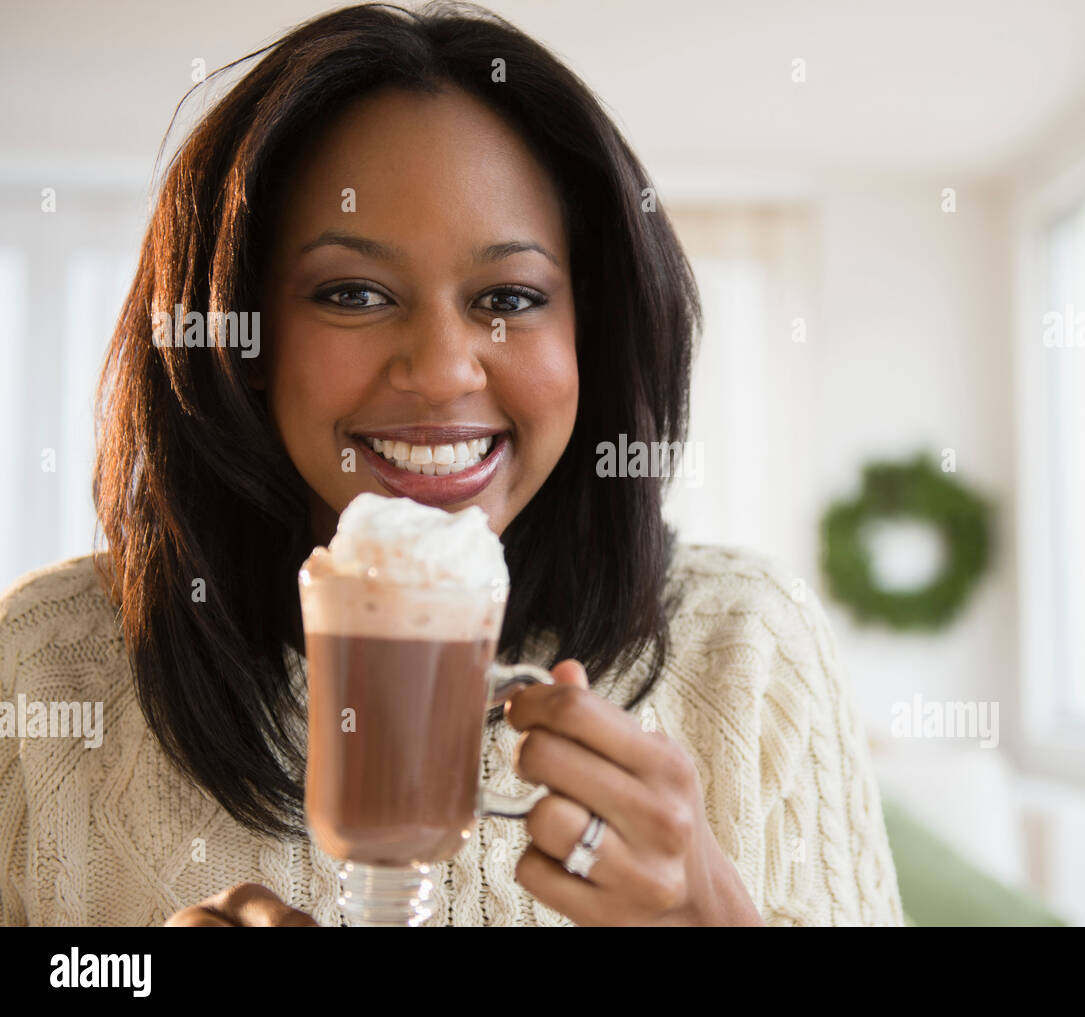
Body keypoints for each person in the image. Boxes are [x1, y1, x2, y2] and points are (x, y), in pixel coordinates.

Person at [0, 0, 903, 927]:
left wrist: (714, 917)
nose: (439, 373)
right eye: (352, 293)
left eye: (508, 295)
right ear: (242, 334)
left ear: (593, 327)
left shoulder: (750, 651)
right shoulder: (40, 669)